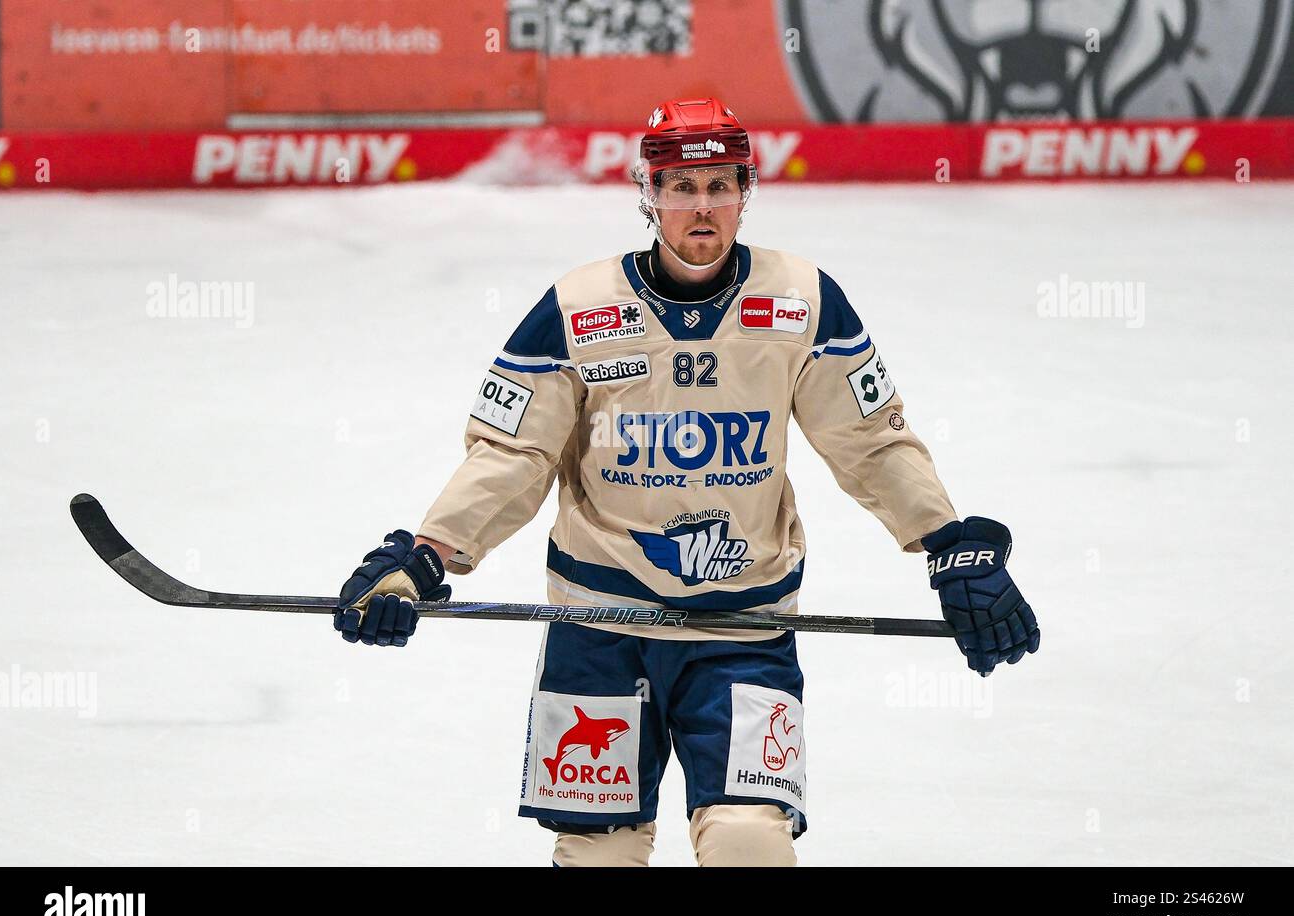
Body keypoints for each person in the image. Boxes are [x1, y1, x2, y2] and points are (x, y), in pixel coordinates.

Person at [332, 97, 1040, 867]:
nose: (701, 207)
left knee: (747, 846)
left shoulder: (800, 301)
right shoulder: (578, 308)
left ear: (745, 191)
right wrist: (428, 555)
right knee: (598, 858)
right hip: (599, 628)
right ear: (649, 194)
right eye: (681, 187)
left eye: (719, 186)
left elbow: (869, 442)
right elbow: (513, 456)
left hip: (742, 630)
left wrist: (947, 544)